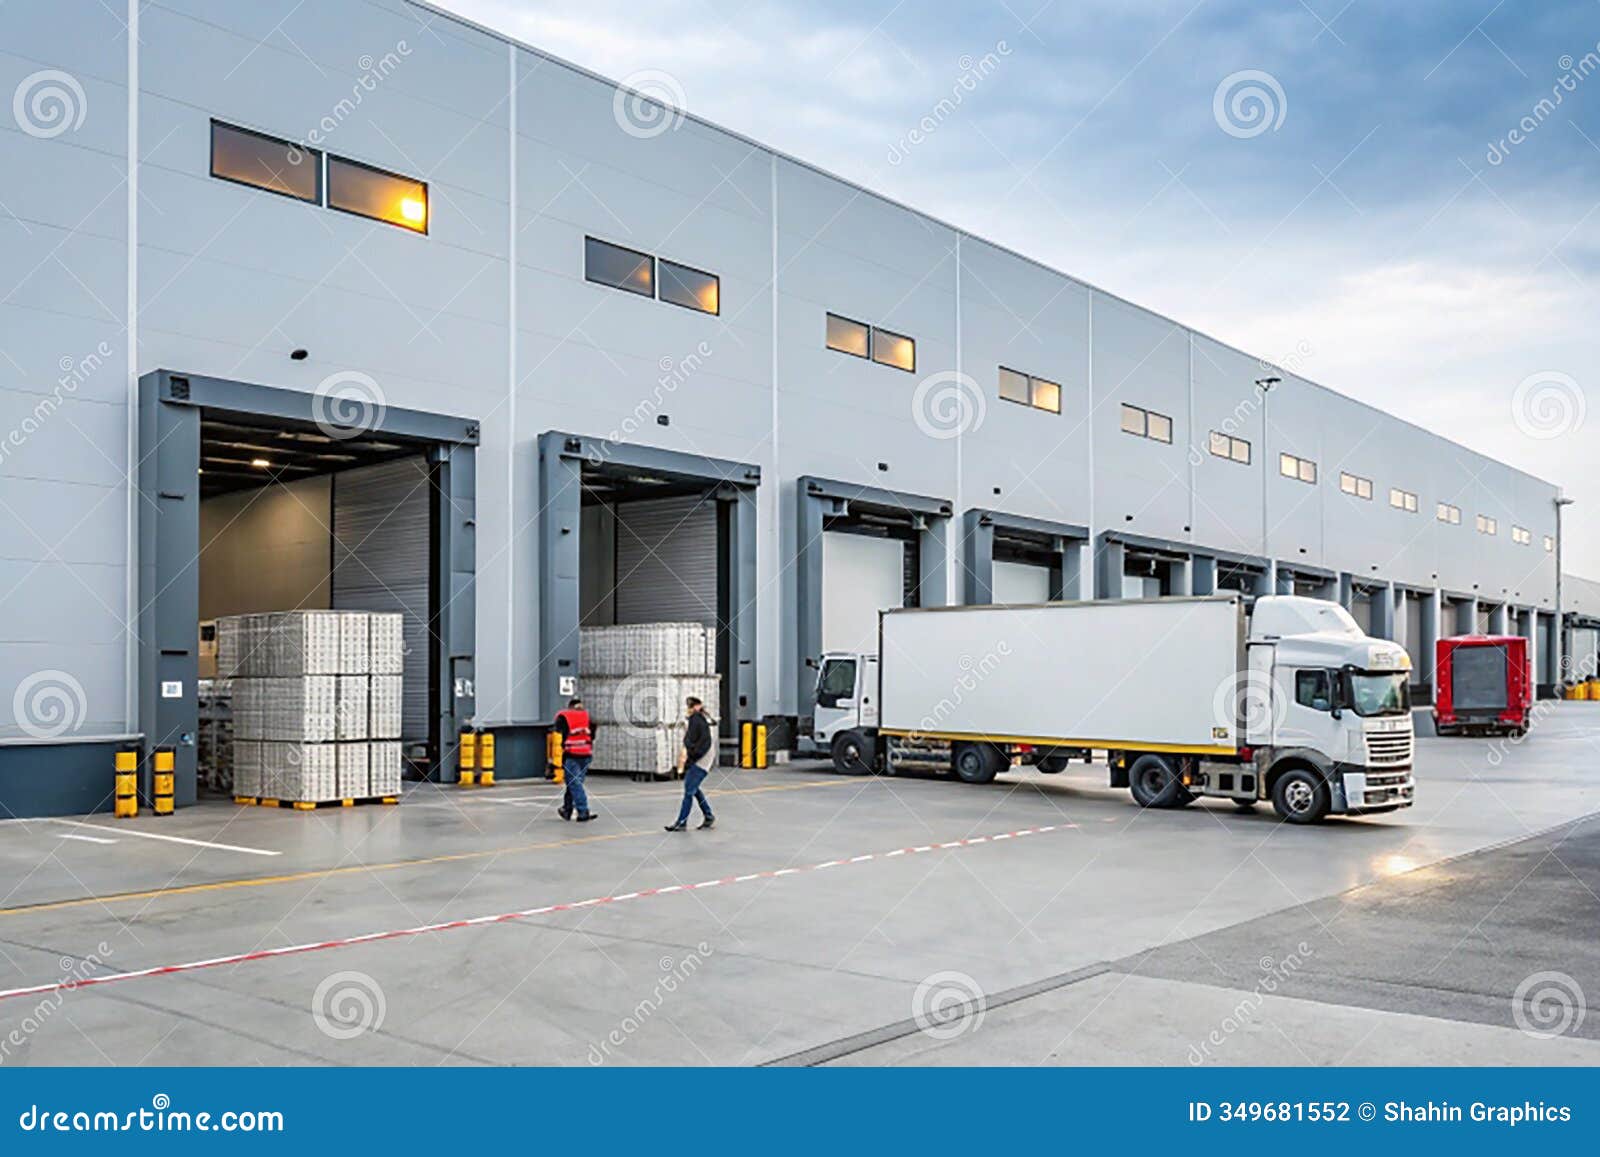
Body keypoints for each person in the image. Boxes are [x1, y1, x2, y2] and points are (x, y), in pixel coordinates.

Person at [664, 696, 716, 832]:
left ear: (697, 706)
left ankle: (682, 822)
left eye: (691, 706)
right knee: (694, 789)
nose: (689, 709)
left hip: (702, 759)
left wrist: (692, 758)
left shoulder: (697, 720)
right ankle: (708, 815)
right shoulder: (697, 719)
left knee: (689, 791)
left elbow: (701, 742)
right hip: (701, 757)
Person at [553, 696, 597, 822]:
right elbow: (592, 733)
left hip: (572, 754)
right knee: (574, 784)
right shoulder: (588, 717)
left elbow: (557, 729)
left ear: (570, 706)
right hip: (586, 753)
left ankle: (583, 811)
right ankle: (567, 810)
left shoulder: (565, 716)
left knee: (574, 784)